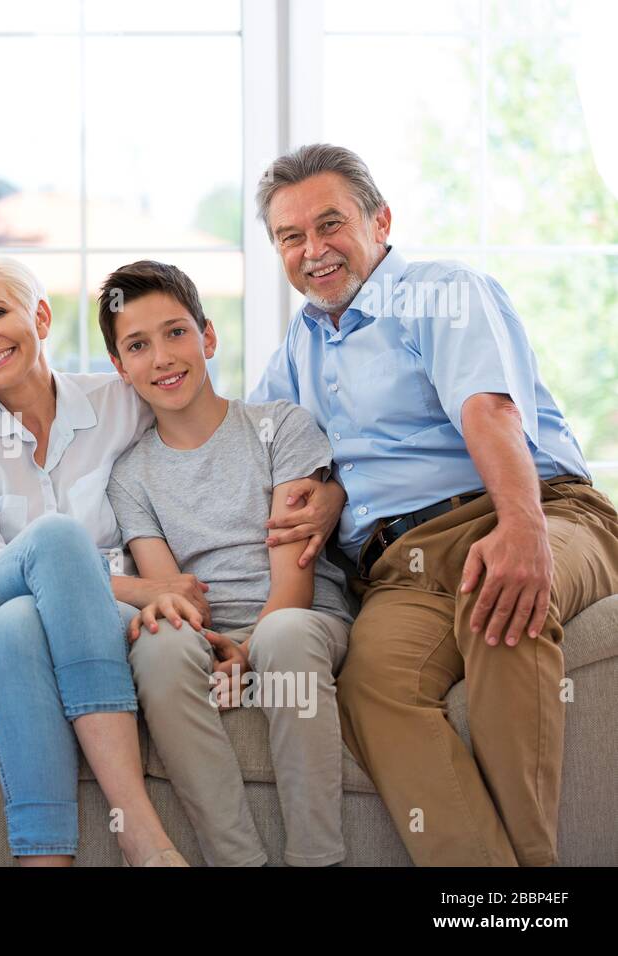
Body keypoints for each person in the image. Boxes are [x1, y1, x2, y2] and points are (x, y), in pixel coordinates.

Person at [249, 143, 618, 866]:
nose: (313, 250)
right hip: (403, 570)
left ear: (380, 221)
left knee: (501, 603)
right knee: (370, 688)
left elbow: (488, 411)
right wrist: (331, 490)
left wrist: (520, 527)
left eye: (331, 224)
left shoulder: (441, 291)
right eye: (290, 237)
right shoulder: (301, 343)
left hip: (538, 507)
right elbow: (256, 444)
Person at [0, 254, 186, 866]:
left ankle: (44, 861)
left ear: (39, 315)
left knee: (24, 625)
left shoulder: (121, 402)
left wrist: (319, 479)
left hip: (71, 628)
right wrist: (143, 589)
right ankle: (140, 832)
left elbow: (207, 427)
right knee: (56, 543)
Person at [99, 259, 354, 866]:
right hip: (210, 628)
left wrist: (253, 647)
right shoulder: (130, 475)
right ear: (120, 366)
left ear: (207, 336)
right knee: (159, 642)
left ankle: (316, 858)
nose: (161, 357)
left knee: (285, 635)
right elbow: (173, 593)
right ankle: (236, 860)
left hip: (300, 617)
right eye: (138, 345)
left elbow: (295, 572)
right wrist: (216, 642)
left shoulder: (280, 427)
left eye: (175, 332)